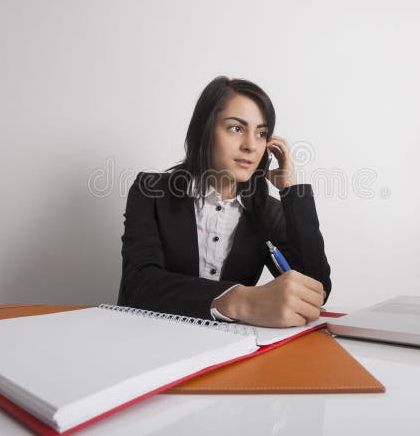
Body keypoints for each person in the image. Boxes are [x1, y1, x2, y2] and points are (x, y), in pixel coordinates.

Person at [118, 76, 331, 327]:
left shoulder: (265, 211)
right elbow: (138, 286)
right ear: (205, 130)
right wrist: (239, 300)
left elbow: (316, 291)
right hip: (150, 340)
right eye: (236, 128)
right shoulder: (151, 190)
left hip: (230, 349)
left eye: (261, 133)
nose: (251, 145)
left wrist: (292, 191)